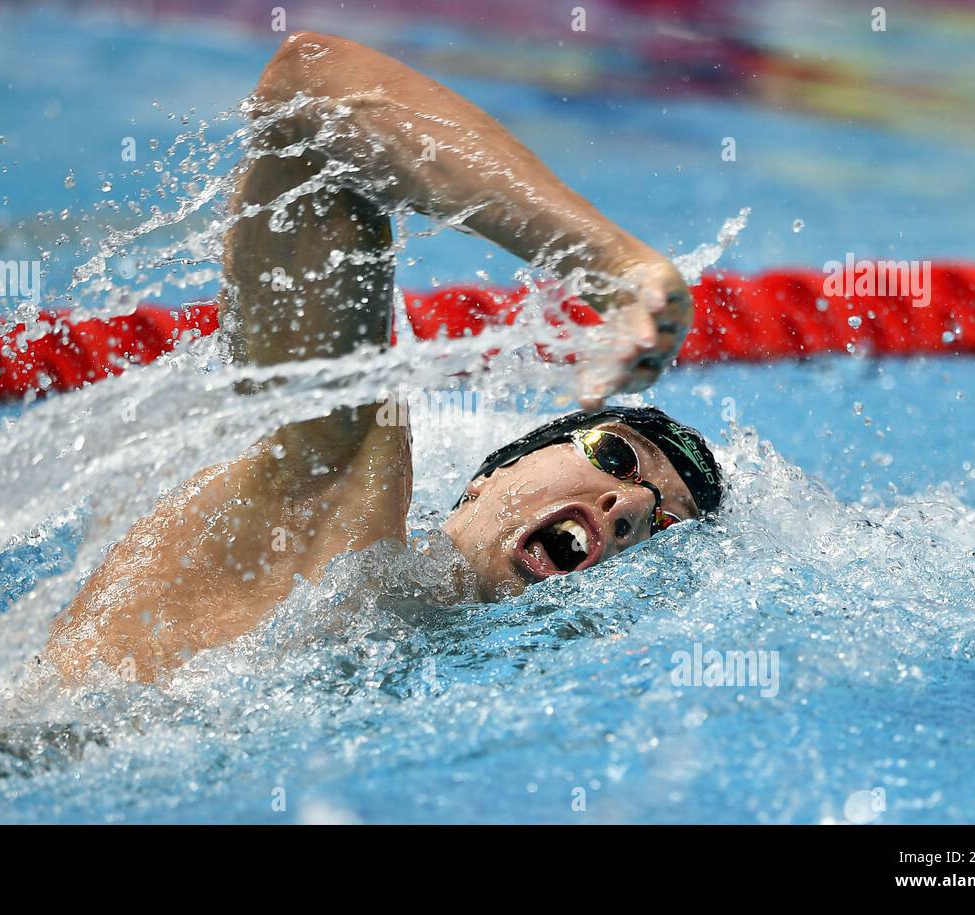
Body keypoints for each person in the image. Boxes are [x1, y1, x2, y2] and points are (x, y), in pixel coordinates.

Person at [45, 31, 722, 683]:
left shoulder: (435, 666)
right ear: (495, 469)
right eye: (615, 454)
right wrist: (611, 267)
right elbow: (306, 89)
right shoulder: (345, 485)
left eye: (661, 526)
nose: (629, 504)